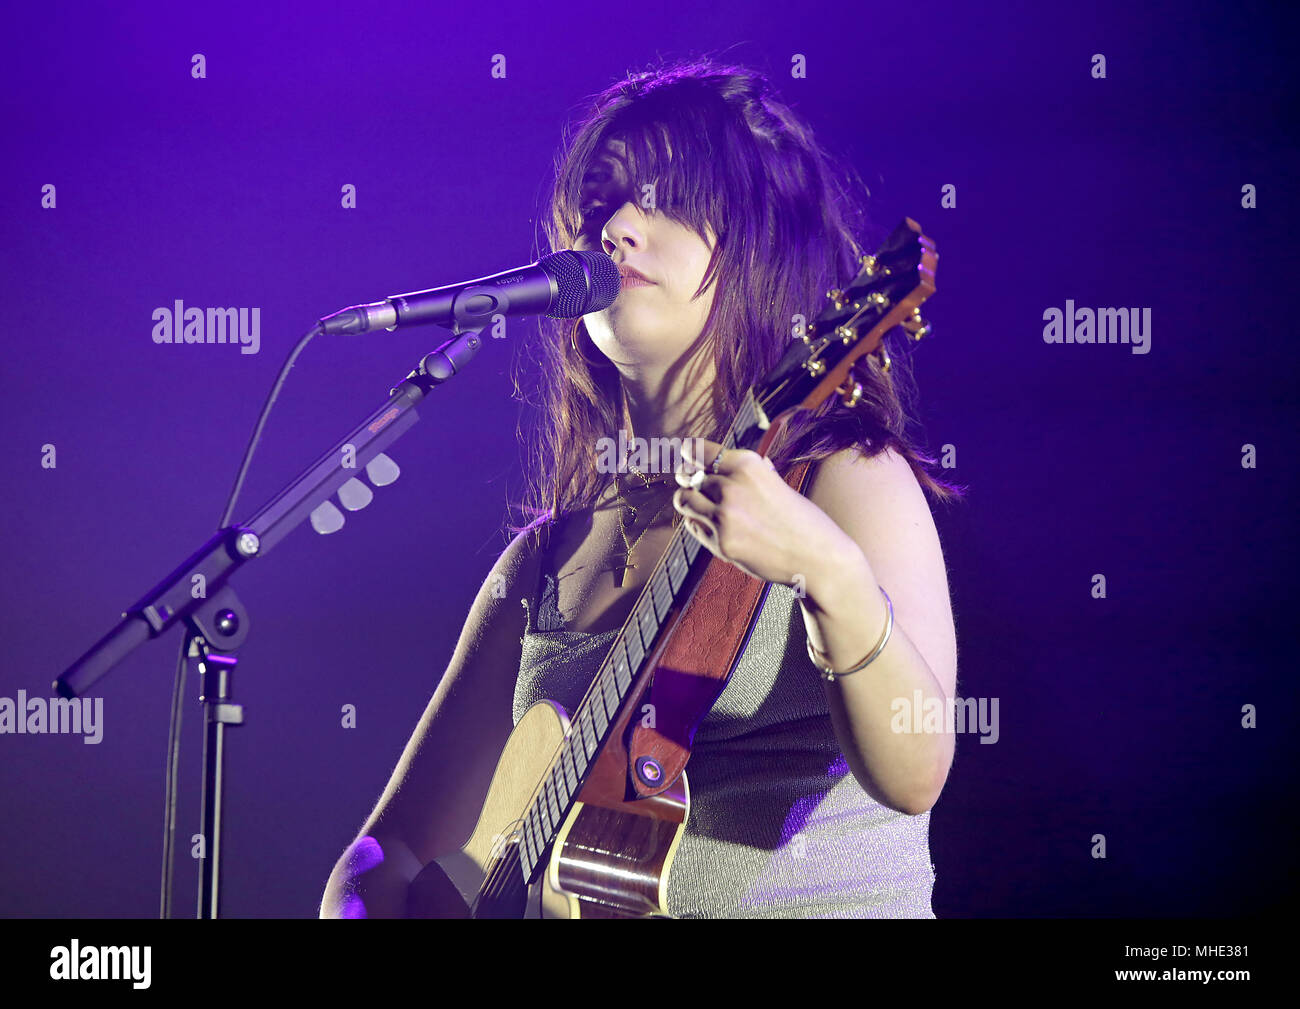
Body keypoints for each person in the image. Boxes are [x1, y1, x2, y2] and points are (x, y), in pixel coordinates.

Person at [320, 55, 963, 919]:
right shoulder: (545, 558)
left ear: (754, 241)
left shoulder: (846, 482)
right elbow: (383, 854)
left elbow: (917, 774)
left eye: (662, 199)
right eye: (600, 206)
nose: (618, 226)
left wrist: (829, 574)